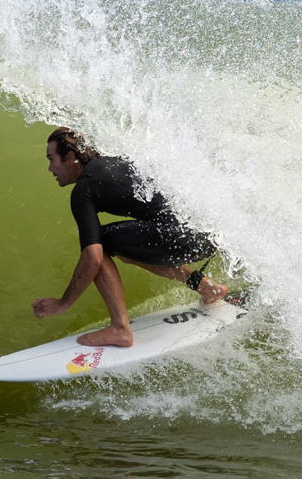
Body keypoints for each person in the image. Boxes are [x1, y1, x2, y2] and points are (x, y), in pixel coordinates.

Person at [31, 127, 230, 349]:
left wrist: (63, 303)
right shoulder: (112, 162)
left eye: (51, 159)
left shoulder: (83, 188)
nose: (50, 168)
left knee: (99, 244)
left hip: (179, 237)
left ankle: (120, 328)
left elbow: (93, 257)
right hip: (208, 234)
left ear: (70, 158)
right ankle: (206, 287)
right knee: (125, 245)